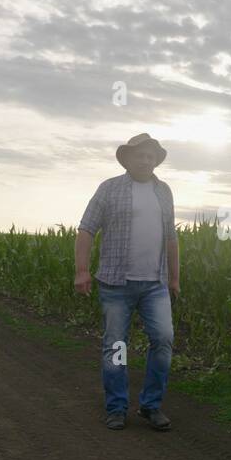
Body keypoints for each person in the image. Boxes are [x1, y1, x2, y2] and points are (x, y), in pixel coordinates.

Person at [74, 133, 180, 431]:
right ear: (128, 159)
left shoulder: (164, 191)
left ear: (155, 160)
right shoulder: (109, 189)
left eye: (150, 156)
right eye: (140, 155)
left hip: (154, 284)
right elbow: (86, 230)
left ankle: (151, 405)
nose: (146, 160)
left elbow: (171, 237)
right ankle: (117, 408)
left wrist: (174, 277)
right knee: (116, 346)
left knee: (163, 339)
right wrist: (81, 271)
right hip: (115, 284)